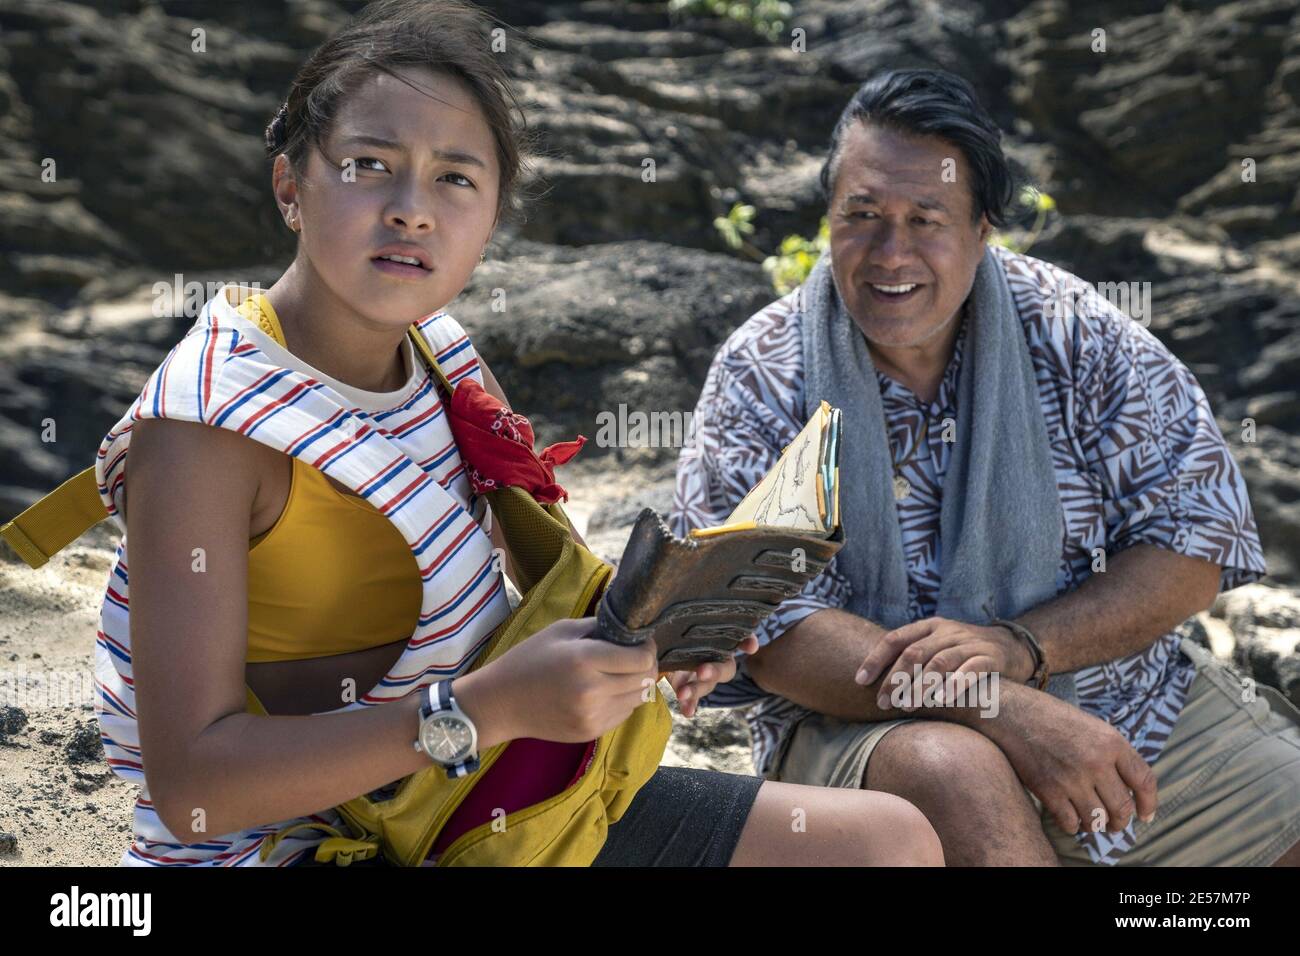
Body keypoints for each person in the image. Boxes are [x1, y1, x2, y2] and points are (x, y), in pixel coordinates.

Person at [92, 0, 943, 867]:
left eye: (456, 178)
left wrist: (660, 640)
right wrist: (481, 710)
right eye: (368, 165)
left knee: (890, 845)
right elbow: (192, 786)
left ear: (492, 217)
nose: (411, 210)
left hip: (492, 801)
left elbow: (555, 586)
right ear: (290, 188)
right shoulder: (207, 431)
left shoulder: (444, 357)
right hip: (304, 845)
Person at [673, 67, 1300, 866]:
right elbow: (773, 626)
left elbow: (1195, 541)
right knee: (956, 772)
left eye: (925, 219)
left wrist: (1021, 646)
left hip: (1124, 698)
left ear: (983, 229)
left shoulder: (1081, 338)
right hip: (873, 725)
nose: (889, 252)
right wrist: (995, 704)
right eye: (861, 215)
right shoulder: (766, 372)